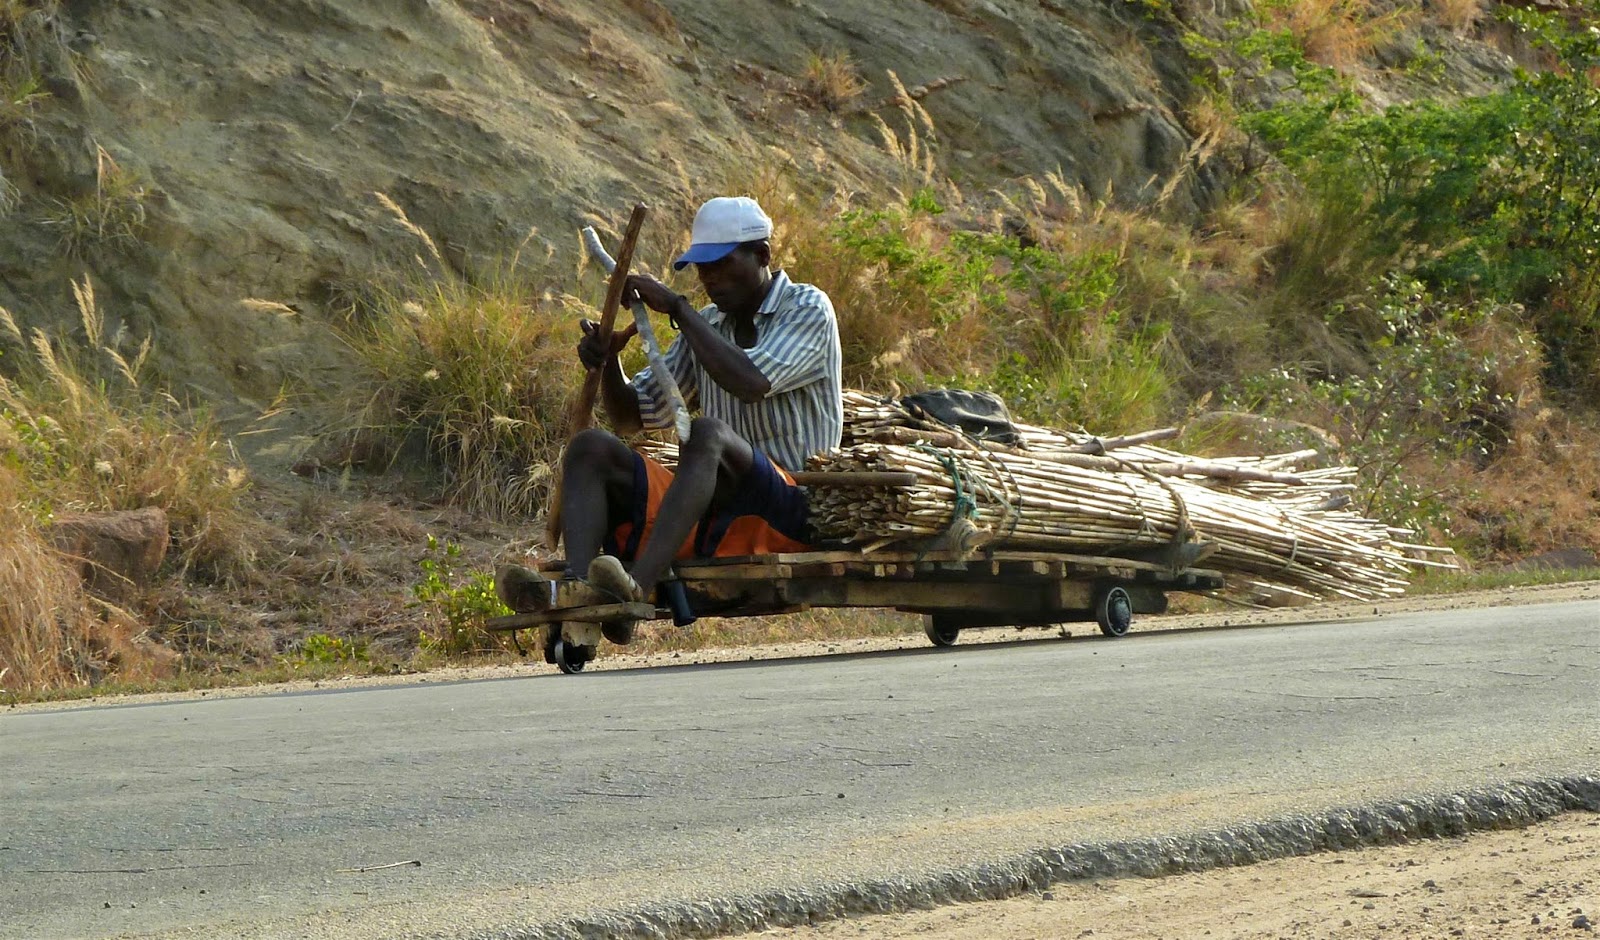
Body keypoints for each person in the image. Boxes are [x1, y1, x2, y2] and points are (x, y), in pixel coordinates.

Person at [497, 196, 843, 643]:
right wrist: (607, 367)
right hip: (719, 508)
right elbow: (632, 417)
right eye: (702, 268)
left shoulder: (808, 308)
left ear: (762, 256)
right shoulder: (710, 324)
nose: (709, 278)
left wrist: (677, 309)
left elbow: (750, 381)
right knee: (591, 447)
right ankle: (578, 591)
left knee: (707, 434)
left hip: (793, 506)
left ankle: (635, 591)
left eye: (720, 264)